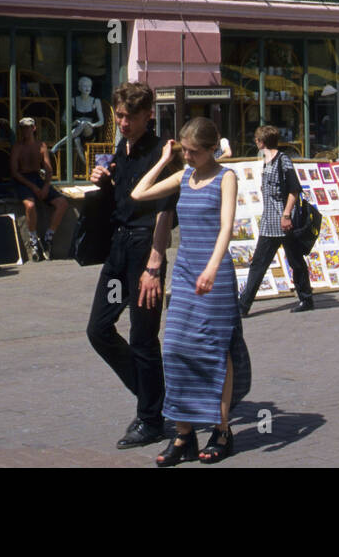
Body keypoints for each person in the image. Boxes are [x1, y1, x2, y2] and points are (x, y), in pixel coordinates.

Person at [132, 117, 252, 465]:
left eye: (194, 152)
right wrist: (161, 160)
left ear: (212, 149)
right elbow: (139, 193)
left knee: (216, 351)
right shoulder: (184, 175)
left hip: (214, 274)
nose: (188, 157)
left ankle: (222, 430)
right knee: (174, 349)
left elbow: (226, 228)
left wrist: (213, 267)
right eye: (184, 150)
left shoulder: (225, 177)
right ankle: (184, 434)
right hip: (185, 274)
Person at [85, 82, 179, 450]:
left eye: (130, 117)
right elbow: (116, 203)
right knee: (99, 329)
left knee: (142, 336)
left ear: (147, 115)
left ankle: (151, 419)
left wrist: (155, 264)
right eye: (119, 115)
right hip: (118, 248)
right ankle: (152, 396)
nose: (122, 122)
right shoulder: (118, 151)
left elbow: (164, 212)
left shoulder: (163, 153)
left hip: (144, 249)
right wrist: (102, 184)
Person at [237, 126, 313, 316]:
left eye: (256, 139)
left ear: (262, 142)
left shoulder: (283, 161)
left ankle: (306, 298)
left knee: (295, 261)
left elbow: (294, 190)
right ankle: (243, 305)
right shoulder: (267, 161)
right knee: (259, 264)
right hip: (269, 222)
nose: (255, 142)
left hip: (283, 220)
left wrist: (287, 214)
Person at [10, 116, 69, 260]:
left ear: (34, 128)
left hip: (38, 178)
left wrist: (46, 186)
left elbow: (48, 168)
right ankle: (33, 239)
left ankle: (49, 237)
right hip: (23, 180)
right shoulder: (18, 147)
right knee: (30, 205)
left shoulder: (41, 145)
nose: (26, 130)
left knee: (62, 203)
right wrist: (33, 187)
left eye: (28, 127)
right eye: (23, 128)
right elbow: (14, 172)